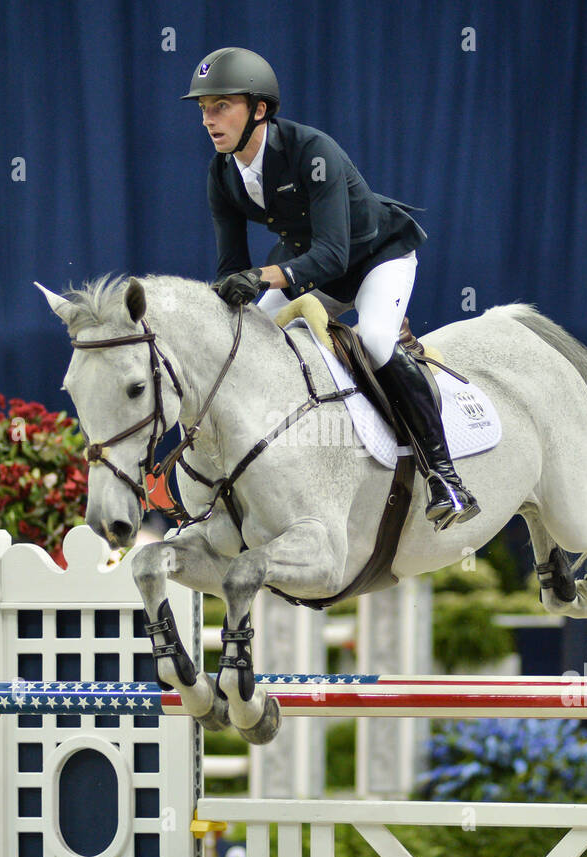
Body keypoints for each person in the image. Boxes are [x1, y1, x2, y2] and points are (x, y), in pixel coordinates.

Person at [183, 47, 480, 530]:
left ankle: (445, 477)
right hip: (309, 267)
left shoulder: (311, 151)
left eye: (221, 107)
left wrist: (260, 278)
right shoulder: (222, 174)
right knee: (249, 336)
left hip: (374, 259)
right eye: (203, 109)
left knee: (376, 342)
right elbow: (231, 267)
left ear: (259, 109)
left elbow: (334, 256)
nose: (208, 120)